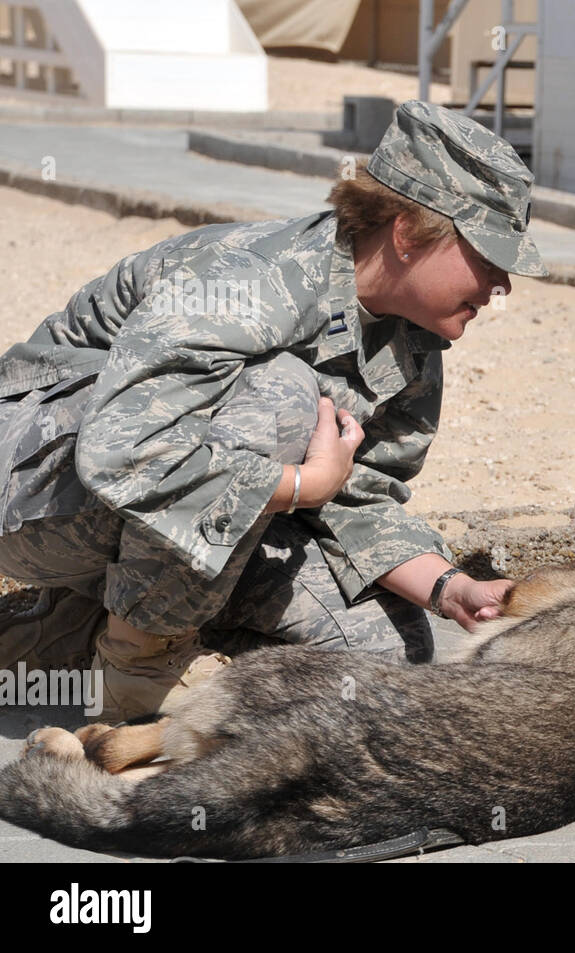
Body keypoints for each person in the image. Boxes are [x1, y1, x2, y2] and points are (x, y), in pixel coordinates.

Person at [0, 101, 546, 722]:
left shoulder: (414, 341)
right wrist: (299, 485)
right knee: (284, 399)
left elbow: (358, 497)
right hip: (39, 490)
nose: (502, 286)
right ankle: (136, 677)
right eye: (487, 255)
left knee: (390, 658)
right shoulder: (256, 281)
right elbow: (127, 449)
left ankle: (63, 635)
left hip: (170, 517)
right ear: (407, 233)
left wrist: (453, 589)